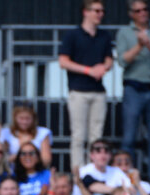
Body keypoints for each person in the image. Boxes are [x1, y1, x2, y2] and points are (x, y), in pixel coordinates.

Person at [116, 1, 150, 175]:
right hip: (133, 88)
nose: (142, 13)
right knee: (129, 138)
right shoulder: (124, 32)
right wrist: (140, 45)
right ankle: (127, 178)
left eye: (145, 9)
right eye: (137, 10)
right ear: (131, 14)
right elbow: (122, 60)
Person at [58, 1, 114, 171]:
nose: (100, 14)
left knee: (96, 136)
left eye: (102, 11)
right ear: (86, 12)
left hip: (98, 92)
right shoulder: (72, 35)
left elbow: (109, 60)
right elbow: (63, 61)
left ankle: (94, 172)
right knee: (78, 136)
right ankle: (78, 175)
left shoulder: (104, 36)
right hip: (78, 91)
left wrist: (102, 68)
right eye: (96, 10)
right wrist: (89, 70)